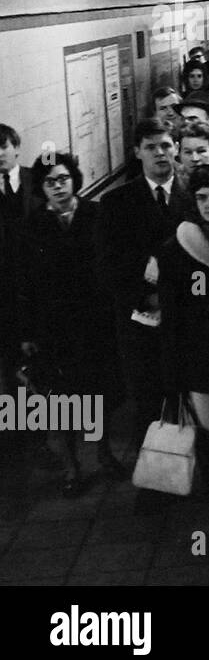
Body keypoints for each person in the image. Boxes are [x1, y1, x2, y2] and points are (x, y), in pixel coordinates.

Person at [17, 153, 126, 497]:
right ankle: (72, 469)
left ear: (74, 179)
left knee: (100, 394)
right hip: (54, 329)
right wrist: (27, 333)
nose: (59, 187)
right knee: (60, 402)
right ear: (41, 188)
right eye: (50, 182)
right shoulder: (32, 226)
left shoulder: (97, 214)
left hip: (95, 323)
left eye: (64, 179)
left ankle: (105, 455)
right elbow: (24, 284)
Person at [95, 118, 190, 512]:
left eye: (167, 146)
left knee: (186, 402)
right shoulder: (117, 202)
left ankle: (189, 478)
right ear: (137, 152)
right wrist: (147, 298)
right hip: (140, 323)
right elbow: (107, 266)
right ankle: (152, 487)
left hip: (186, 321)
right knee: (148, 404)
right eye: (152, 147)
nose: (161, 154)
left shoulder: (191, 196)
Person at [155, 164, 209, 535]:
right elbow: (171, 318)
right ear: (192, 201)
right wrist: (174, 372)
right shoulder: (175, 248)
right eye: (202, 197)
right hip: (203, 360)